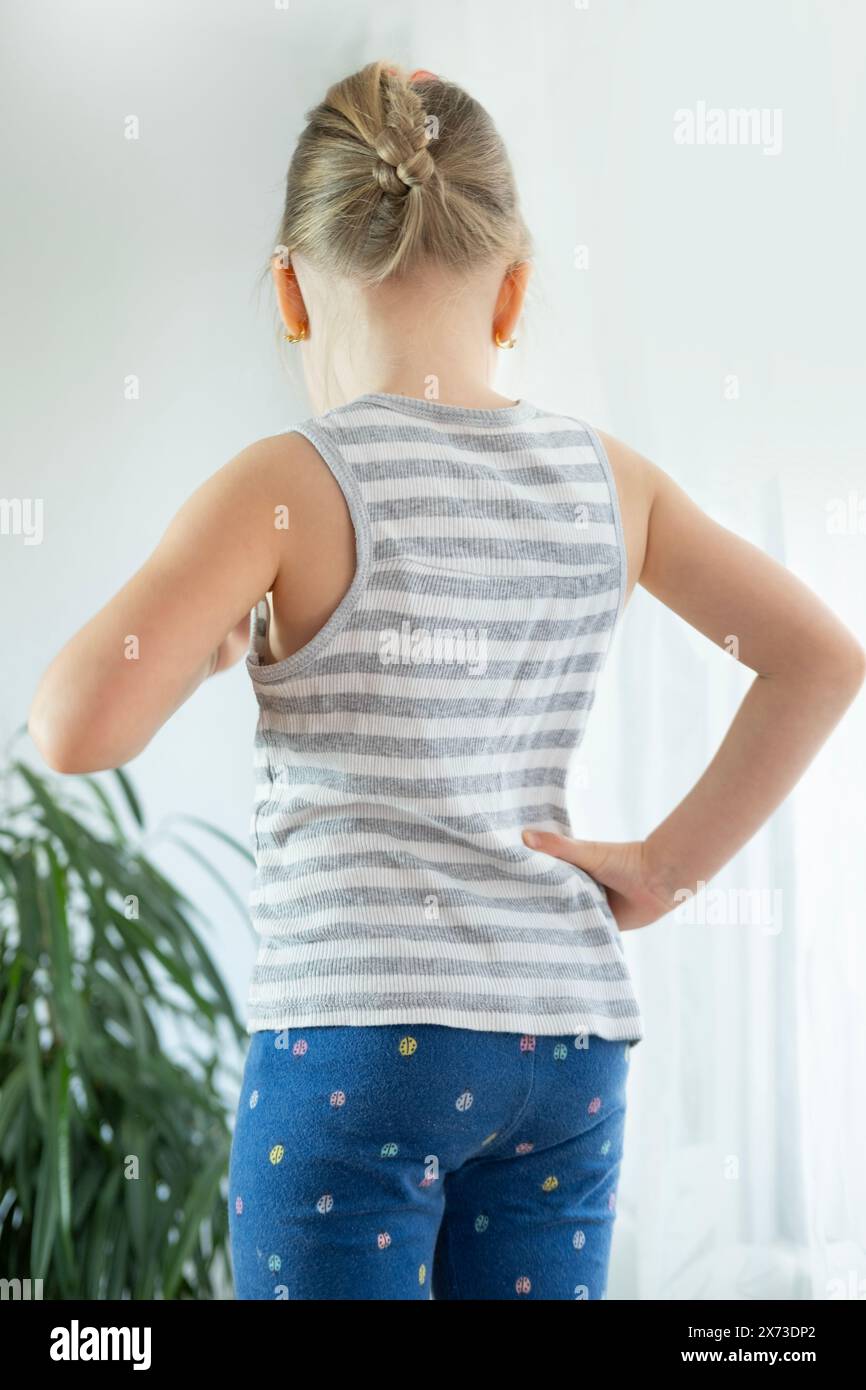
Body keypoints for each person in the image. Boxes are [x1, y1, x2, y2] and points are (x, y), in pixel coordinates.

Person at [28, 60, 865, 1301]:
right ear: (514, 284)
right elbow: (820, 658)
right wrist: (658, 867)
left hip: (357, 1043)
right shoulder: (609, 482)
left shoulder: (286, 481)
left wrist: (212, 644)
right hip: (563, 1043)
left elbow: (73, 728)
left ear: (289, 295)